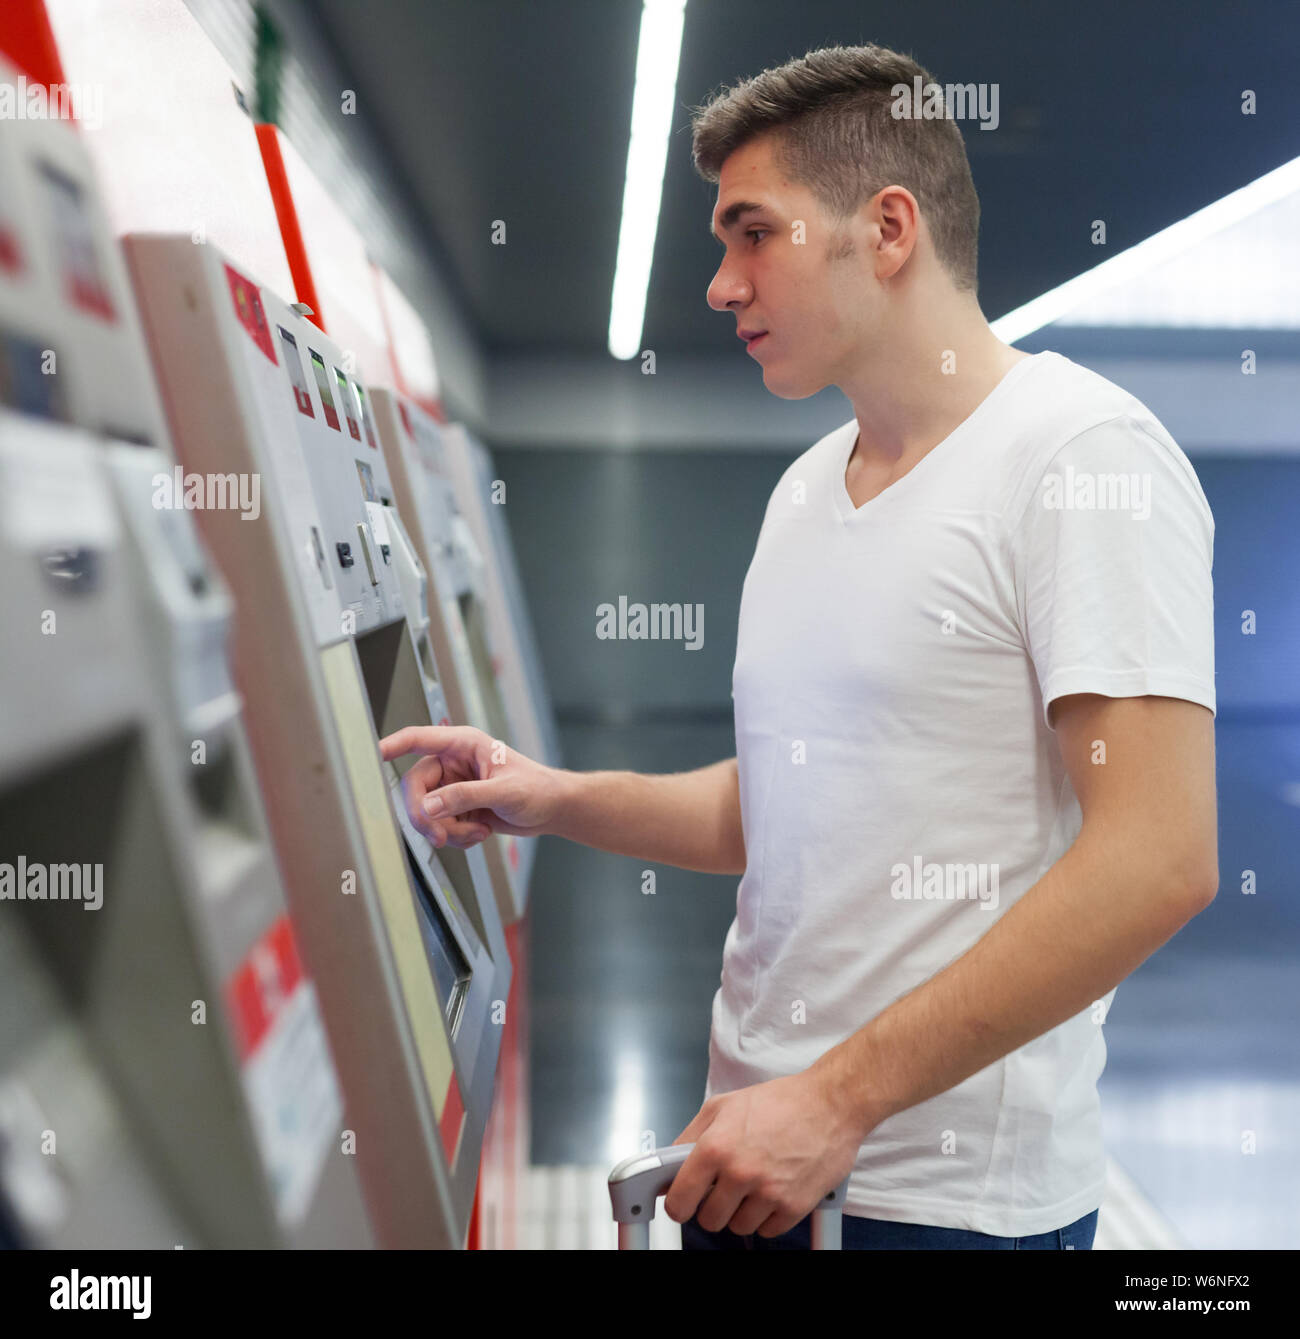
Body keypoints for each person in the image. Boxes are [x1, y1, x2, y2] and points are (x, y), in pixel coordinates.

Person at [379, 42, 1218, 1251]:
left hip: (940, 1210)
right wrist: (551, 796)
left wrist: (836, 1101)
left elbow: (1158, 856)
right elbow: (792, 798)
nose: (720, 284)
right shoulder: (805, 491)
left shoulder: (1079, 458)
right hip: (749, 1158)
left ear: (886, 229)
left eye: (751, 234)